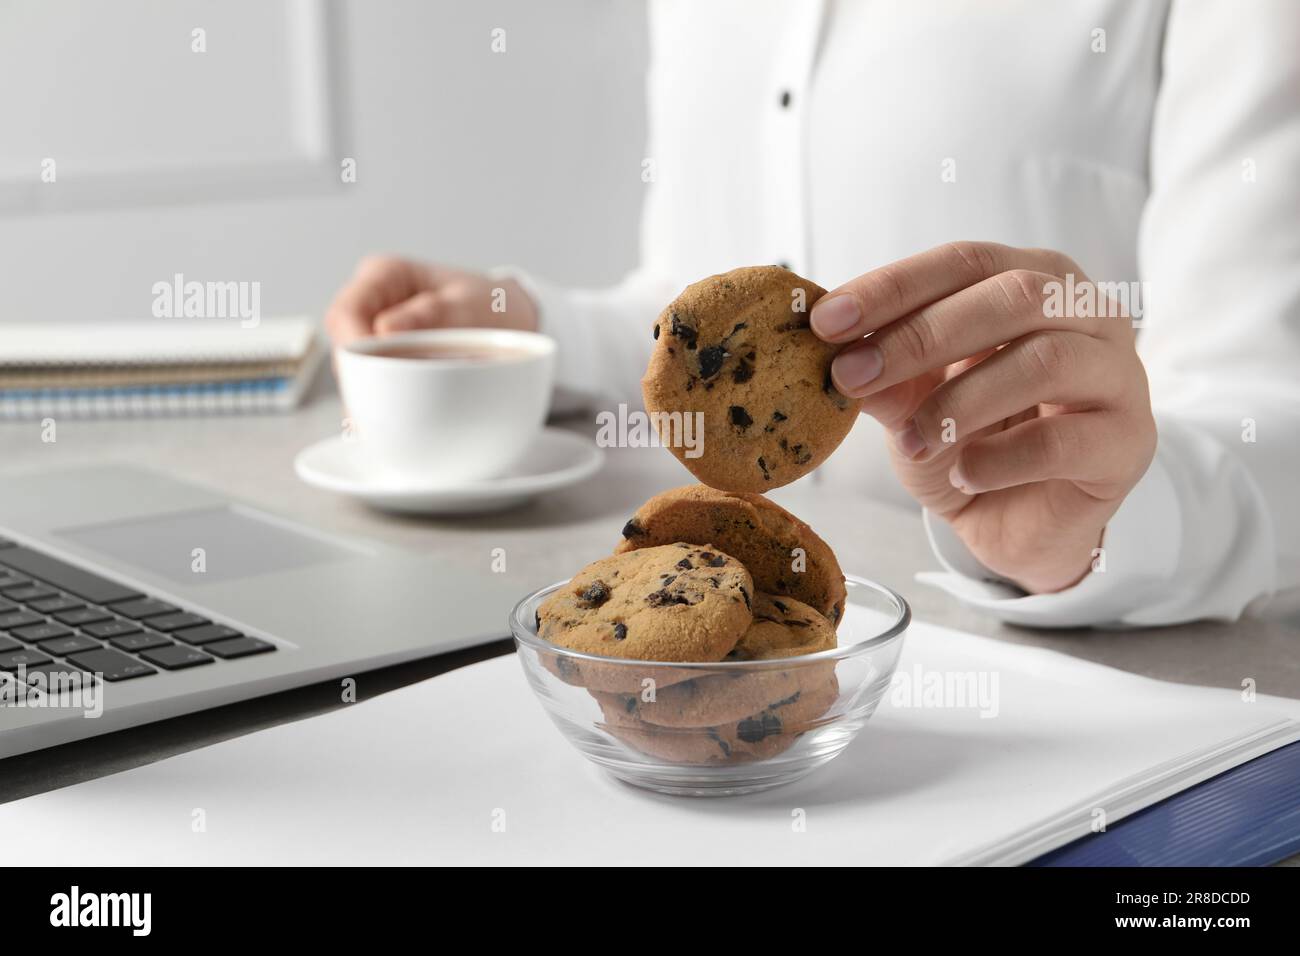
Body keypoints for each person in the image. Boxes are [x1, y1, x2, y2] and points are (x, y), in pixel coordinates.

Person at [326, 1, 1300, 628]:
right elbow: (709, 325)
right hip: (777, 633)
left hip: (1076, 670)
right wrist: (518, 319)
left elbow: (1266, 392)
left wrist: (1101, 527)